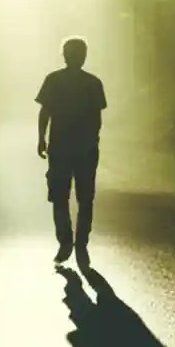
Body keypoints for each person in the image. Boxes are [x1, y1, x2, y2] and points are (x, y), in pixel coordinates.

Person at [36, 37, 107, 265]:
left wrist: (41, 138)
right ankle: (81, 242)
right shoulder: (93, 83)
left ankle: (66, 240)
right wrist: (92, 139)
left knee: (60, 195)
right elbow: (97, 117)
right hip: (84, 147)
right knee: (85, 196)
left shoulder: (54, 80)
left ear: (64, 56)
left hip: (61, 147)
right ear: (83, 56)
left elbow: (45, 112)